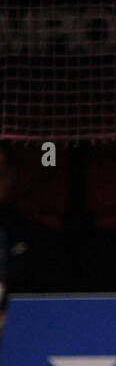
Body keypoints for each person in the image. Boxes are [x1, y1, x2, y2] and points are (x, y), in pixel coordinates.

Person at [0, 143, 61, 336]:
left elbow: (50, 301)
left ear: (8, 178)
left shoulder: (33, 237)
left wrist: (16, 318)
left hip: (18, 341)